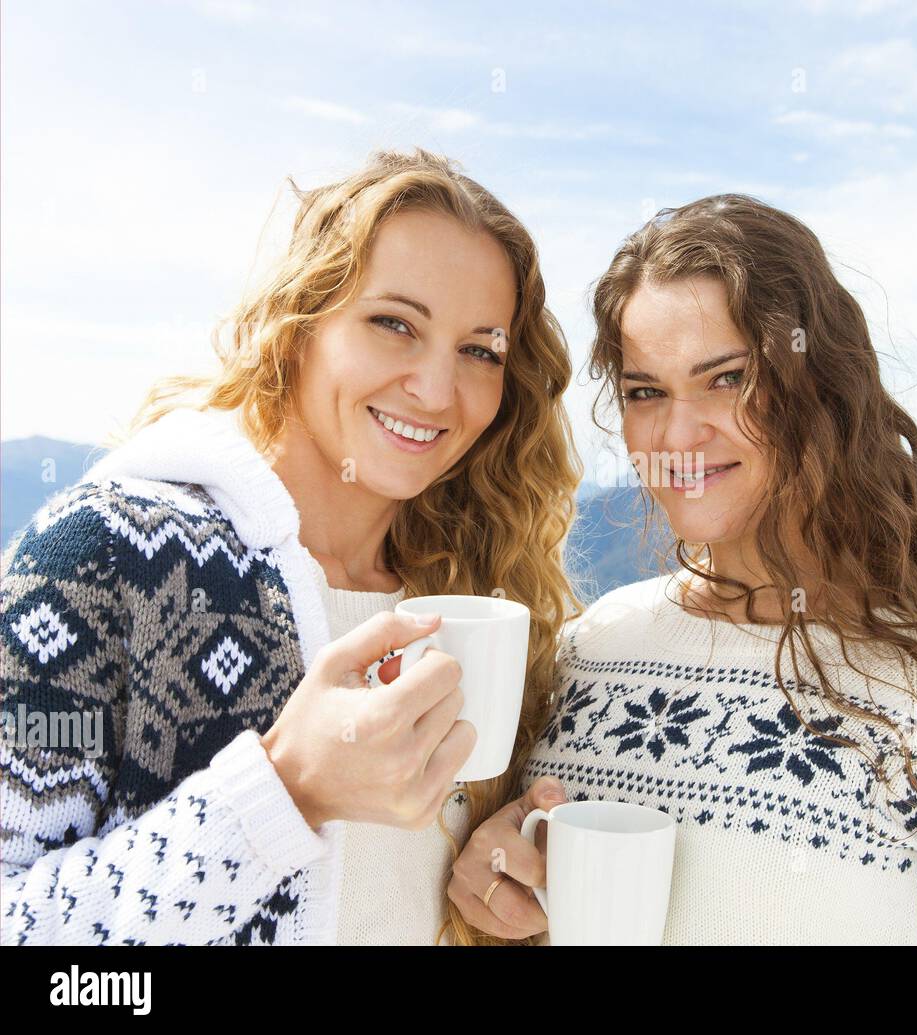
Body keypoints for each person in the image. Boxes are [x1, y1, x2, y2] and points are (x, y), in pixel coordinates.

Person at [448, 194, 917, 945]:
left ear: (820, 384)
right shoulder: (592, 650)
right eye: (645, 391)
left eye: (727, 377)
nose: (678, 432)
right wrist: (491, 886)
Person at [0, 147, 581, 945]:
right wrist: (288, 789)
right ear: (301, 324)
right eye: (394, 324)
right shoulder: (100, 557)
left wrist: (498, 890)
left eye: (480, 349)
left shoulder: (471, 598)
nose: (439, 391)